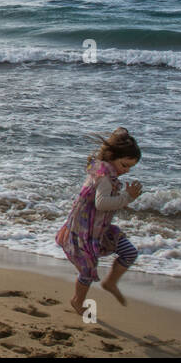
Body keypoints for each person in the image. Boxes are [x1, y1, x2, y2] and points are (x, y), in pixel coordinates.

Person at [56, 128, 143, 315]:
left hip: (99, 229)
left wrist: (122, 197)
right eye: (124, 165)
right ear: (112, 157)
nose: (126, 171)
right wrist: (127, 197)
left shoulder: (105, 172)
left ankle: (110, 282)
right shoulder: (104, 177)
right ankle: (78, 301)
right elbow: (102, 203)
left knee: (129, 252)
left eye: (130, 167)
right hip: (85, 231)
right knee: (87, 271)